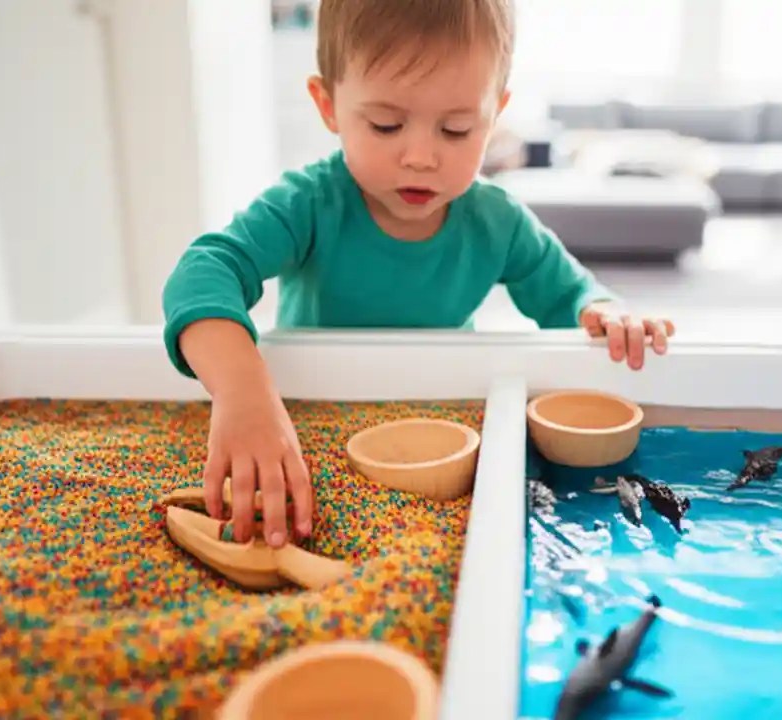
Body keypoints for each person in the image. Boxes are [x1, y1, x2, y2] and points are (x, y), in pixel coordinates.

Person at [161, 0, 675, 551]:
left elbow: (572, 296)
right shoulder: (309, 205)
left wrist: (606, 313)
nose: (421, 156)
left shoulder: (496, 221)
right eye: (386, 124)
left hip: (445, 441)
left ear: (494, 113)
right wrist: (243, 393)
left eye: (457, 129)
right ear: (328, 105)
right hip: (313, 424)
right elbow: (203, 271)